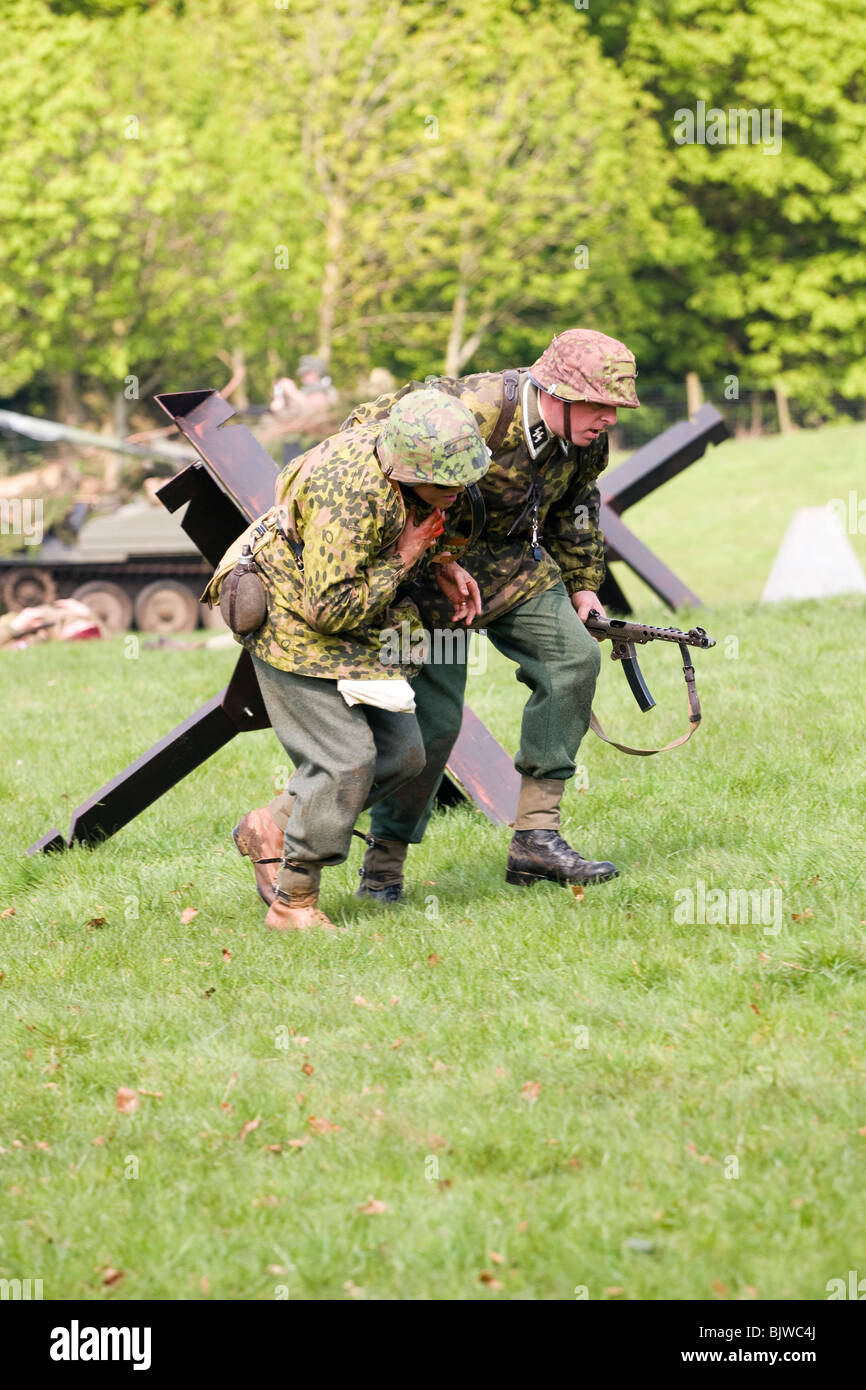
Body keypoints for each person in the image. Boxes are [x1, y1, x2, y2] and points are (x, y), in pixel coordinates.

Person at [235, 328, 640, 905]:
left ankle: (535, 840)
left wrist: (582, 585)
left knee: (572, 658)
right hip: (422, 570)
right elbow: (368, 442)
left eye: (615, 409)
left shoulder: (587, 439)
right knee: (432, 723)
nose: (609, 420)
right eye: (601, 405)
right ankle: (384, 864)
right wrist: (414, 548)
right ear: (556, 391)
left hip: (511, 566)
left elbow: (578, 504)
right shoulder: (466, 408)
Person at [216, 388, 490, 930]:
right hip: (291, 618)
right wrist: (407, 556)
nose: (457, 493)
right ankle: (293, 905)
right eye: (446, 483)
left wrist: (440, 561)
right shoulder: (350, 496)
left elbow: (405, 526)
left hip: (349, 614)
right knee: (345, 759)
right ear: (405, 470)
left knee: (404, 755)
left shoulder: (405, 451)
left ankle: (271, 825)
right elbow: (331, 609)